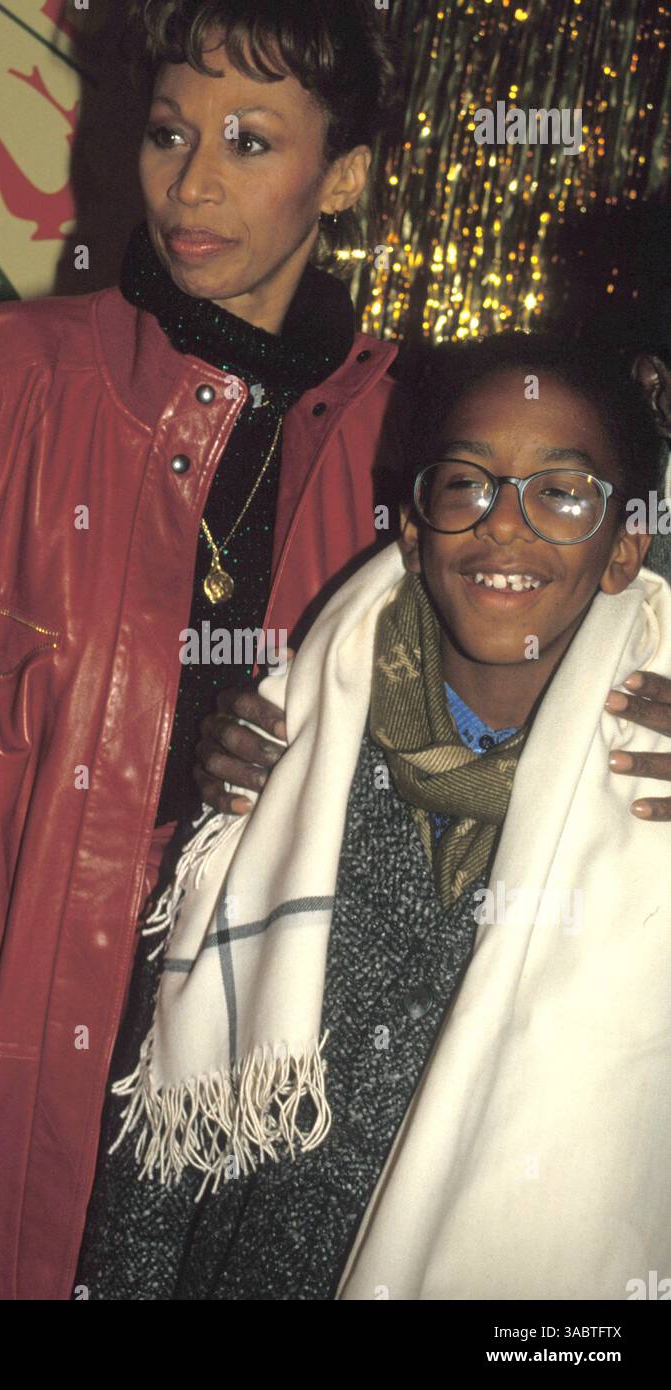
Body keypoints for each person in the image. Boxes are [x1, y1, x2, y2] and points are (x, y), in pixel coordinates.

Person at [0, 0, 403, 1300]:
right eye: (171, 132)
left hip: (248, 1139)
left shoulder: (419, 448)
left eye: (249, 141)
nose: (190, 183)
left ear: (344, 174)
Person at [77, 332, 671, 1300]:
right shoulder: (287, 752)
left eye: (562, 494)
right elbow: (163, 1144)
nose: (504, 527)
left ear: (624, 550)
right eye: (467, 483)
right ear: (411, 523)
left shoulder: (650, 803)